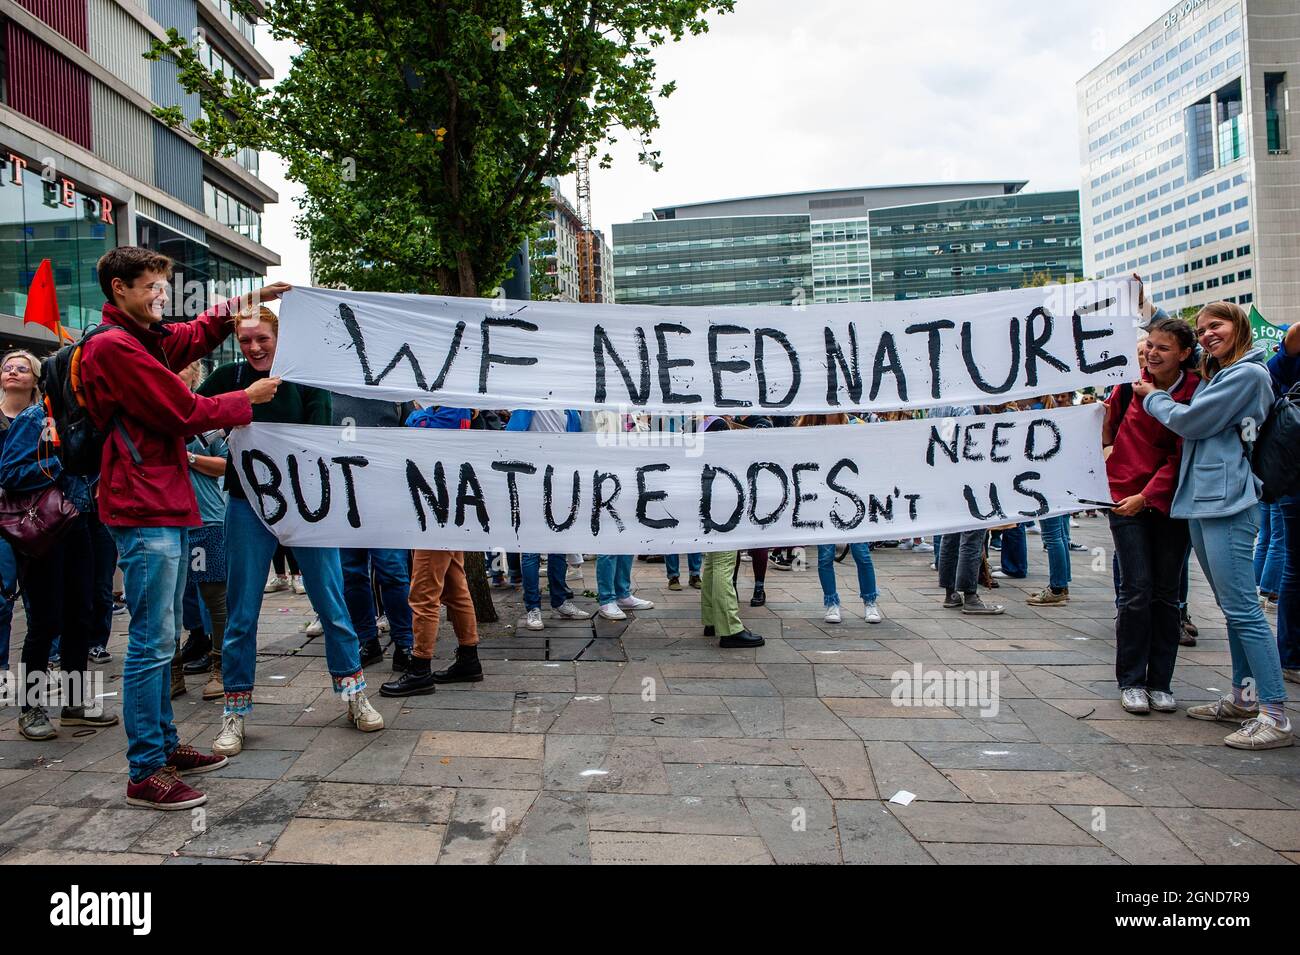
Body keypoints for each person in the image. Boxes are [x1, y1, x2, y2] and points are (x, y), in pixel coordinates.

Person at [78, 247, 275, 808]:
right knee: (150, 641)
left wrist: (247, 302)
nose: (162, 298)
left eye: (164, 289)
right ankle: (145, 770)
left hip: (161, 502)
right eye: (152, 289)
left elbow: (189, 338)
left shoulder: (138, 339)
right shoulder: (115, 347)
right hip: (143, 508)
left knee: (161, 633)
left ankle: (163, 744)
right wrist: (247, 398)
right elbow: (183, 411)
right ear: (119, 289)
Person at [197, 304, 383, 757]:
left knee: (332, 604)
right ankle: (235, 711)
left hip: (307, 509)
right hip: (245, 505)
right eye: (245, 340)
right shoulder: (228, 381)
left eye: (263, 338)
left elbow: (319, 440)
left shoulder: (306, 381)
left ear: (280, 339)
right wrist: (224, 416)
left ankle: (355, 693)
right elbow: (191, 414)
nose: (255, 347)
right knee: (241, 613)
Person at [1139, 301, 1291, 749]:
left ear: (1238, 325)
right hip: (1207, 499)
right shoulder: (1224, 372)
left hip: (1227, 502)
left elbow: (1192, 421)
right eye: (1202, 329)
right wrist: (1149, 308)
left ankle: (1276, 714)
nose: (1206, 334)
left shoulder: (1247, 374)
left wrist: (1155, 398)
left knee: (1244, 609)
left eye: (1216, 325)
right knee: (1233, 608)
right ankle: (1244, 700)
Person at [1103, 317, 1199, 714]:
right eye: (1150, 346)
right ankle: (1130, 680)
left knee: (1166, 593)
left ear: (1184, 354)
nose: (1153, 353)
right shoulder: (1128, 385)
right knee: (1136, 589)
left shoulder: (1198, 392)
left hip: (1173, 502)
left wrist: (1150, 494)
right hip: (1126, 500)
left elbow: (1184, 453)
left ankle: (1160, 680)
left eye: (1163, 347)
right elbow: (1104, 429)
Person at [380, 404, 481, 695]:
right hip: (446, 504)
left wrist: (415, 415)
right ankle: (468, 658)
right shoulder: (453, 403)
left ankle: (419, 668)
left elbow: (418, 428)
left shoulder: (449, 405)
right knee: (454, 585)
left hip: (437, 508)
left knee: (424, 591)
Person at [331, 392, 417, 669]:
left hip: (386, 497)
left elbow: (412, 437)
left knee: (392, 570)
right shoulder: (326, 389)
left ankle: (404, 643)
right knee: (351, 572)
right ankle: (367, 640)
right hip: (343, 497)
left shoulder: (392, 391)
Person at [173, 361, 232, 701]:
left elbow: (227, 465)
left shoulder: (205, 419)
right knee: (169, 600)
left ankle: (221, 667)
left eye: (182, 365)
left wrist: (188, 457)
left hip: (205, 520)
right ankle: (173, 671)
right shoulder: (152, 414)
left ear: (195, 374)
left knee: (214, 596)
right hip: (165, 520)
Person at [505, 407, 592, 629]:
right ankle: (533, 607)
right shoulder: (528, 404)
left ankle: (560, 601)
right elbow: (510, 435)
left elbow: (577, 446)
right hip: (532, 485)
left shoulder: (571, 411)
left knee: (558, 546)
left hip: (560, 483)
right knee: (531, 550)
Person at [697, 416, 763, 648]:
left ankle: (712, 619)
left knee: (713, 565)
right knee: (724, 565)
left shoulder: (703, 426)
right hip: (723, 509)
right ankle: (730, 628)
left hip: (710, 508)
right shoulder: (720, 426)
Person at [584, 410, 654, 621]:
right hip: (605, 480)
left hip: (631, 479)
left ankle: (622, 593)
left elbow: (644, 437)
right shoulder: (595, 408)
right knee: (608, 545)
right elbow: (587, 440)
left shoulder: (634, 410)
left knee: (627, 541)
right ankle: (607, 599)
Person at [0, 350, 42, 673]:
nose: (13, 372)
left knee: (40, 601)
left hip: (38, 519)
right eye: (7, 368)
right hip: (2, 519)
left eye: (22, 369)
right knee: (2, 598)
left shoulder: (44, 419)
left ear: (35, 379)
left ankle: (50, 661)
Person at [1269, 320, 1300, 683]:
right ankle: (1291, 656)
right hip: (1294, 481)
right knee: (1295, 567)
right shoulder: (1287, 362)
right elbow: (1293, 336)